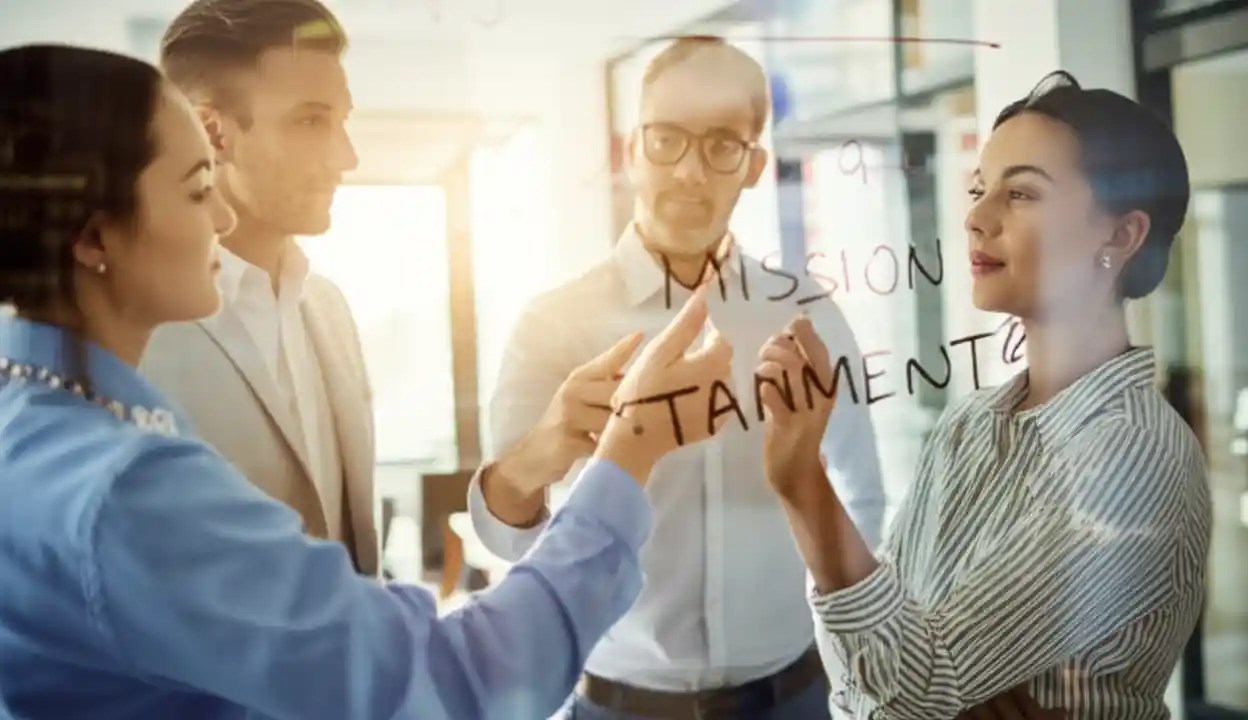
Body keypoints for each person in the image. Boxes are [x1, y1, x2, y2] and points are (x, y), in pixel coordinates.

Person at [0, 43, 736, 720]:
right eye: (196, 190)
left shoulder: (35, 419)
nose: (222, 216)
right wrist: (630, 452)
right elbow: (462, 680)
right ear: (95, 237)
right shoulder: (127, 489)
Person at [755, 71, 1211, 719]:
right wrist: (921, 686)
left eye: (1021, 192)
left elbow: (915, 681)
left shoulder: (1134, 454)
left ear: (1120, 236)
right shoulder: (968, 424)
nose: (974, 217)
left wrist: (804, 484)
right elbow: (864, 680)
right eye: (978, 189)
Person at [470, 36, 886, 719]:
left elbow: (863, 494)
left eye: (722, 144)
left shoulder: (806, 314)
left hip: (796, 697)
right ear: (630, 149)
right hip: (617, 705)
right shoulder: (554, 323)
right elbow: (505, 540)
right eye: (667, 139)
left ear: (753, 166)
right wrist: (544, 449)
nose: (691, 171)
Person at [137, 0, 379, 575]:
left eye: (342, 121)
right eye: (310, 121)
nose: (347, 156)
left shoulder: (330, 310)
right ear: (211, 132)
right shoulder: (131, 329)